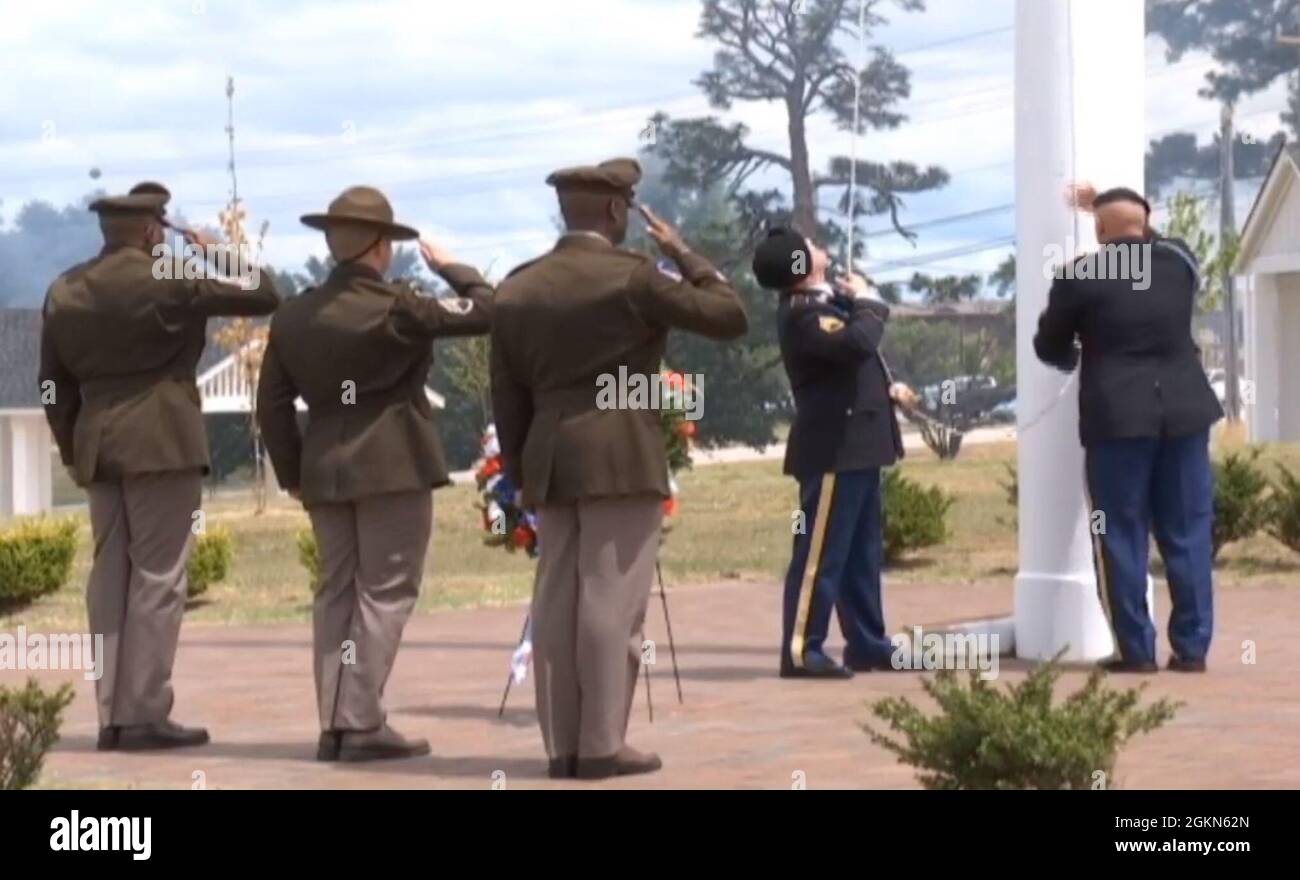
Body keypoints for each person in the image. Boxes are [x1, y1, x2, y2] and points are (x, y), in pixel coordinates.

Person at [490, 158, 747, 779]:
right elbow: (728, 315)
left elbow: (507, 393)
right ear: (615, 211)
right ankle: (602, 744)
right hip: (620, 451)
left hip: (549, 455)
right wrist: (683, 251)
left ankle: (563, 746)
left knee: (555, 602)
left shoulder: (519, 287)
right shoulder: (635, 279)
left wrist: (522, 469)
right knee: (610, 599)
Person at [256, 186, 494, 761]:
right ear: (382, 248)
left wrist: (292, 472)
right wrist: (452, 267)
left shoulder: (294, 315)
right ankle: (360, 721)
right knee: (385, 591)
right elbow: (489, 309)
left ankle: (336, 721)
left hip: (324, 470)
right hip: (392, 464)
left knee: (335, 591)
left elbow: (272, 405)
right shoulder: (402, 306)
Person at [40, 185, 280, 750]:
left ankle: (112, 713)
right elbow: (264, 292)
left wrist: (73, 446)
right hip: (162, 438)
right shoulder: (172, 274)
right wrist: (213, 250)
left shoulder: (64, 289)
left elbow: (52, 385)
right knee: (158, 576)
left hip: (98, 444)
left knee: (110, 580)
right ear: (152, 231)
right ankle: (143, 712)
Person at [1034, 183, 1222, 674]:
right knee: (1188, 531)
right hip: (1184, 414)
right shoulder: (1179, 263)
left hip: (1118, 420)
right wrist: (1117, 208)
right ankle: (1193, 647)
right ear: (1146, 221)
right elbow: (1154, 238)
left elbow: (1049, 345)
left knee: (1118, 533)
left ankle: (1136, 651)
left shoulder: (1080, 275)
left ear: (1098, 231)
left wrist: (1075, 351)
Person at [753, 228, 914, 679]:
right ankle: (803, 648)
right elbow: (855, 343)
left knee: (860, 556)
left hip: (858, 446)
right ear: (800, 266)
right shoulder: (805, 314)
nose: (819, 246)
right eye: (809, 246)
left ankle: (867, 642)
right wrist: (868, 300)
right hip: (834, 449)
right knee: (820, 555)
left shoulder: (826, 305)